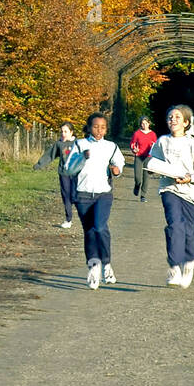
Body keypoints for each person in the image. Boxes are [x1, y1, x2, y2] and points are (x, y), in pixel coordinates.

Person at [143, 103, 194, 289]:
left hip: (192, 194)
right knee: (174, 225)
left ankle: (189, 264)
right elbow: (153, 160)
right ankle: (174, 267)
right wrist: (151, 169)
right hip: (169, 189)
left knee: (189, 230)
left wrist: (190, 178)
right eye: (170, 117)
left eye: (177, 117)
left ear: (186, 123)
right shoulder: (162, 141)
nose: (172, 120)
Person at [63, 113, 125, 290]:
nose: (99, 130)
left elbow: (119, 163)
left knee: (99, 226)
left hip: (103, 194)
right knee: (90, 231)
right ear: (89, 127)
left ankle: (106, 265)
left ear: (107, 129)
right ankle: (93, 267)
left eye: (103, 127)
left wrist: (117, 169)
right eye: (95, 126)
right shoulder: (79, 145)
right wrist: (82, 157)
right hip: (82, 195)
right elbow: (68, 168)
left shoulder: (111, 146)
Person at [34, 122, 78, 228]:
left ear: (71, 132)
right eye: (62, 131)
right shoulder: (59, 144)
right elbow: (50, 155)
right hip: (64, 173)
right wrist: (39, 164)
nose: (63, 133)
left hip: (76, 173)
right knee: (66, 196)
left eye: (65, 131)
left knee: (75, 195)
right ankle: (68, 220)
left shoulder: (78, 143)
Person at [130, 115, 158, 202]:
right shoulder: (137, 133)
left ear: (149, 124)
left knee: (146, 177)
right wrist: (134, 149)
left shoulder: (153, 134)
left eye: (145, 123)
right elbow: (132, 144)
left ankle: (143, 195)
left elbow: (156, 146)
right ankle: (137, 185)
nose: (144, 125)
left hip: (148, 157)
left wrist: (154, 150)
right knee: (138, 177)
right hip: (139, 156)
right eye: (142, 123)